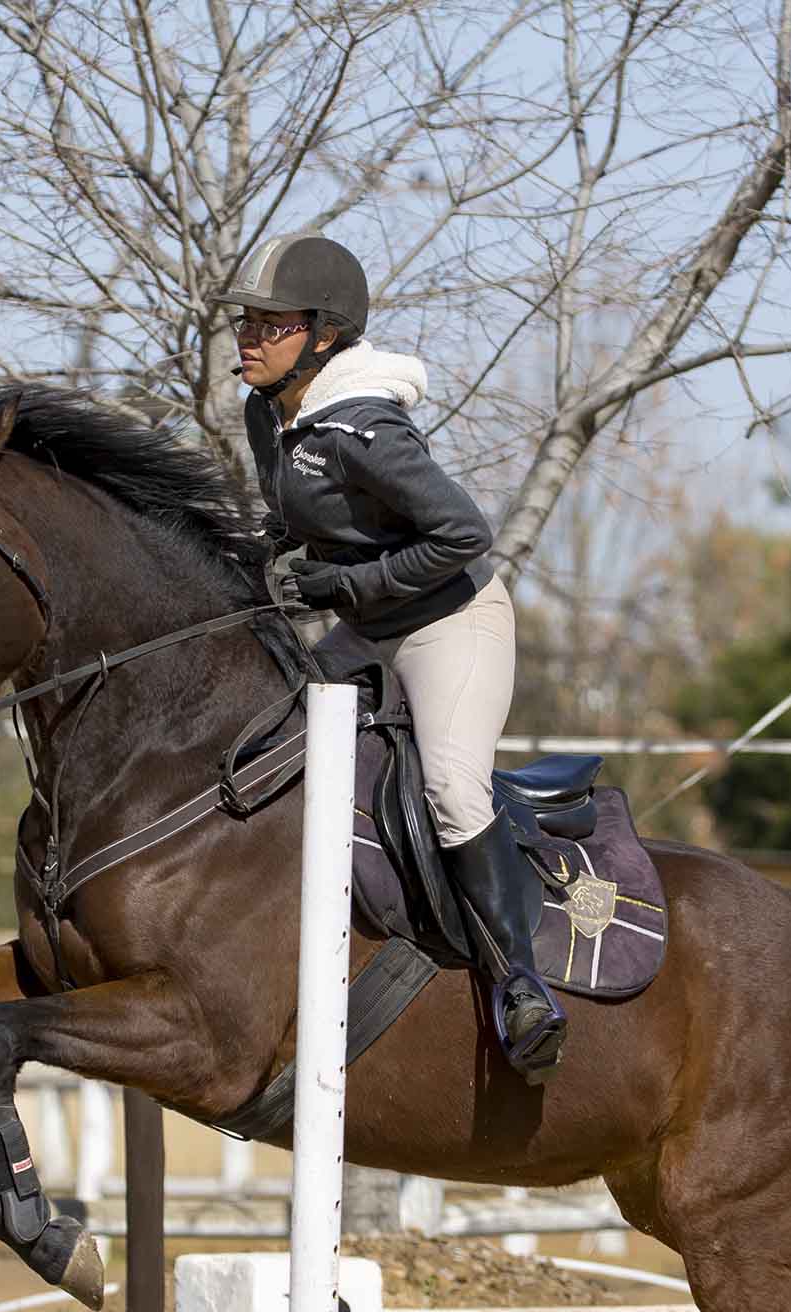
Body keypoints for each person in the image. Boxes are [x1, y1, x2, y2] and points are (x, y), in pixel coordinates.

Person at [216, 233, 567, 1082]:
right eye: (245, 321)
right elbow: (299, 521)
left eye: (269, 323)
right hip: (370, 627)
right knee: (267, 736)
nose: (249, 337)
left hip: (451, 624)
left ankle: (521, 985)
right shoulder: (271, 412)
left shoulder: (366, 429)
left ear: (325, 334)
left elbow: (464, 533)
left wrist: (343, 584)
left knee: (452, 787)